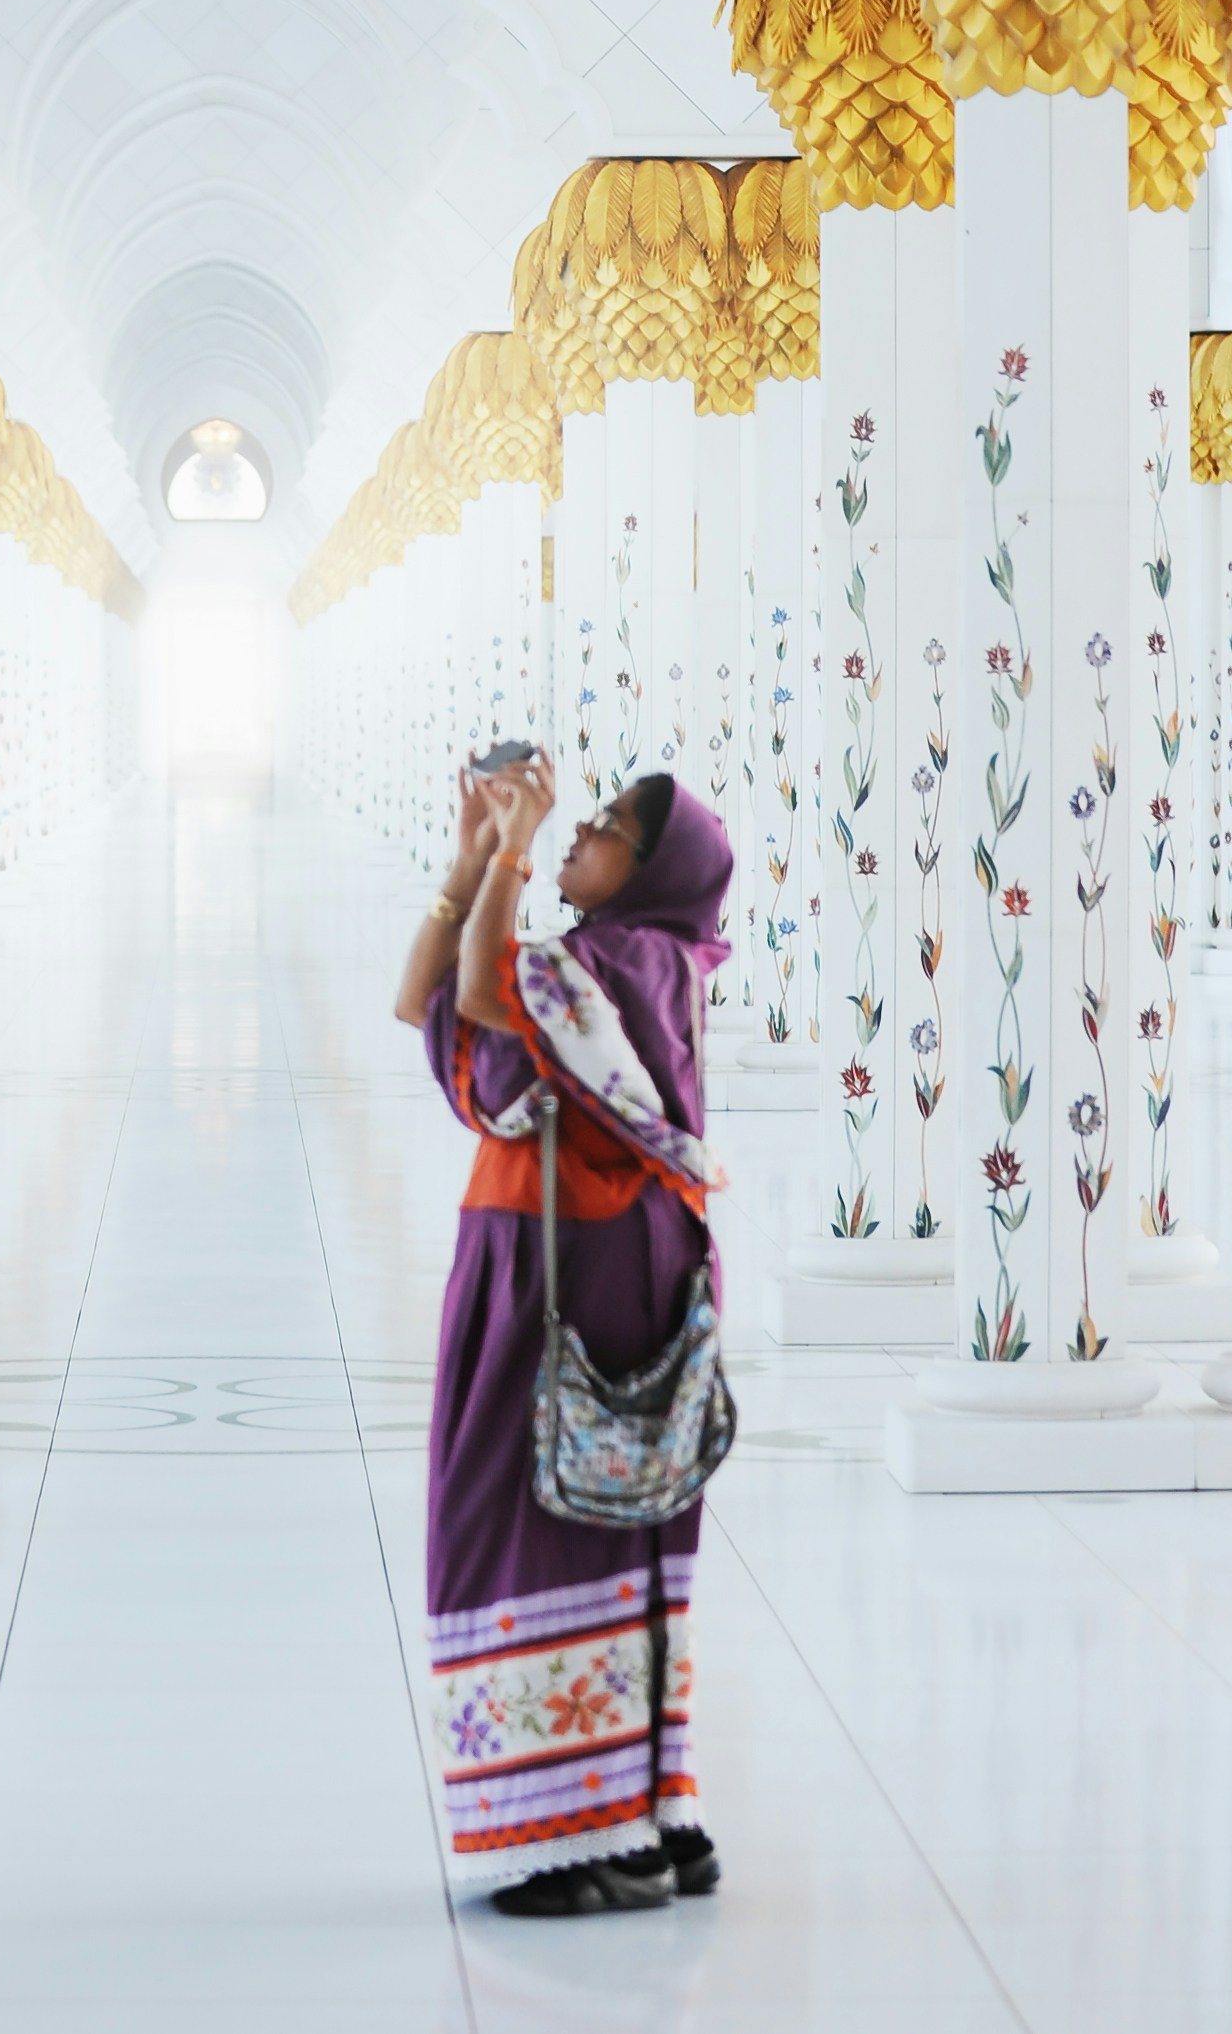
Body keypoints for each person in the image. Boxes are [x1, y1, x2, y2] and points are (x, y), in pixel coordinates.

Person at [396, 750, 732, 1914]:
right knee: (601, 1517)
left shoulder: (624, 960)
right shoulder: (610, 958)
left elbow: (489, 992)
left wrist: (518, 843)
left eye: (606, 829)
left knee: (523, 1513)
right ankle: (640, 1814)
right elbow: (427, 996)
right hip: (567, 1249)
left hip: (573, 1265)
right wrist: (476, 855)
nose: (583, 833)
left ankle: (566, 1829)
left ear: (653, 874)